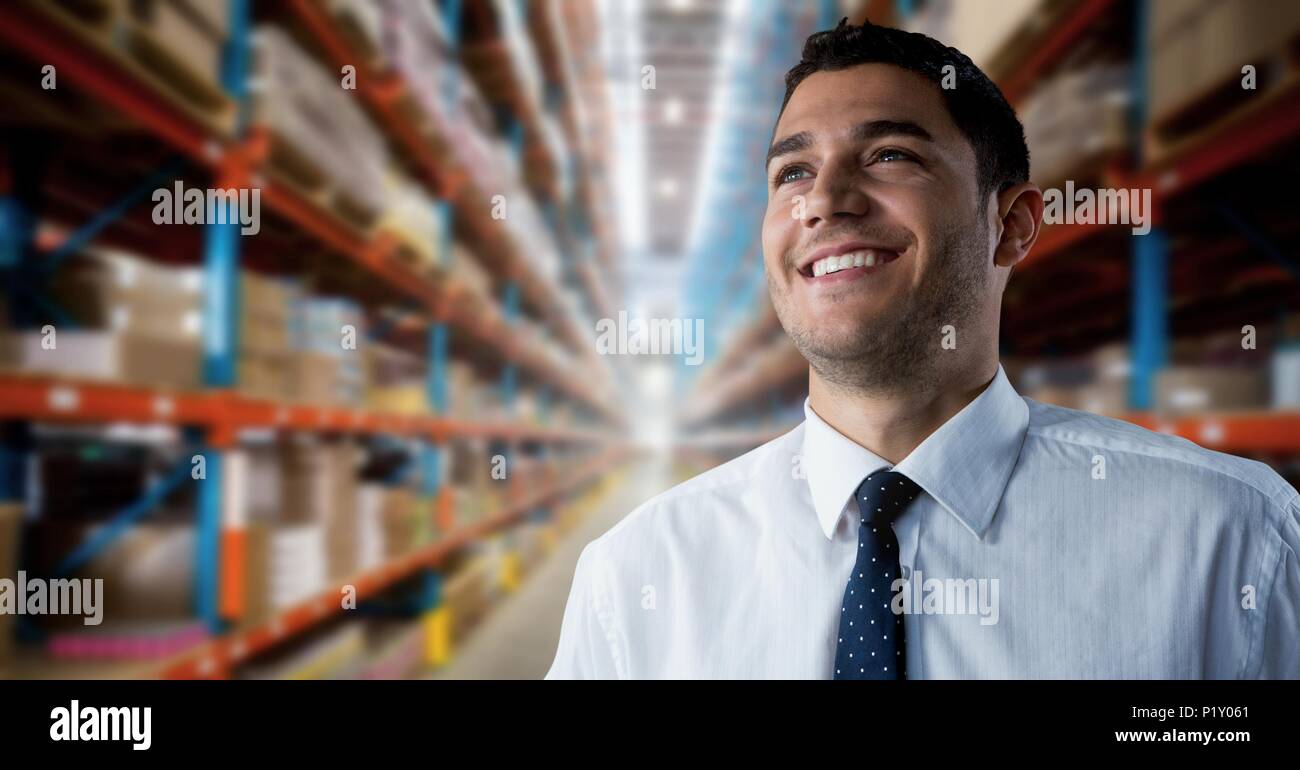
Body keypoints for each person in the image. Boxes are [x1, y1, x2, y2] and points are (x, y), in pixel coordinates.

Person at [546, 18, 1300, 679]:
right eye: (793, 171)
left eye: (890, 156)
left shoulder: (1227, 540)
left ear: (1012, 225)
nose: (825, 200)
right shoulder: (637, 579)